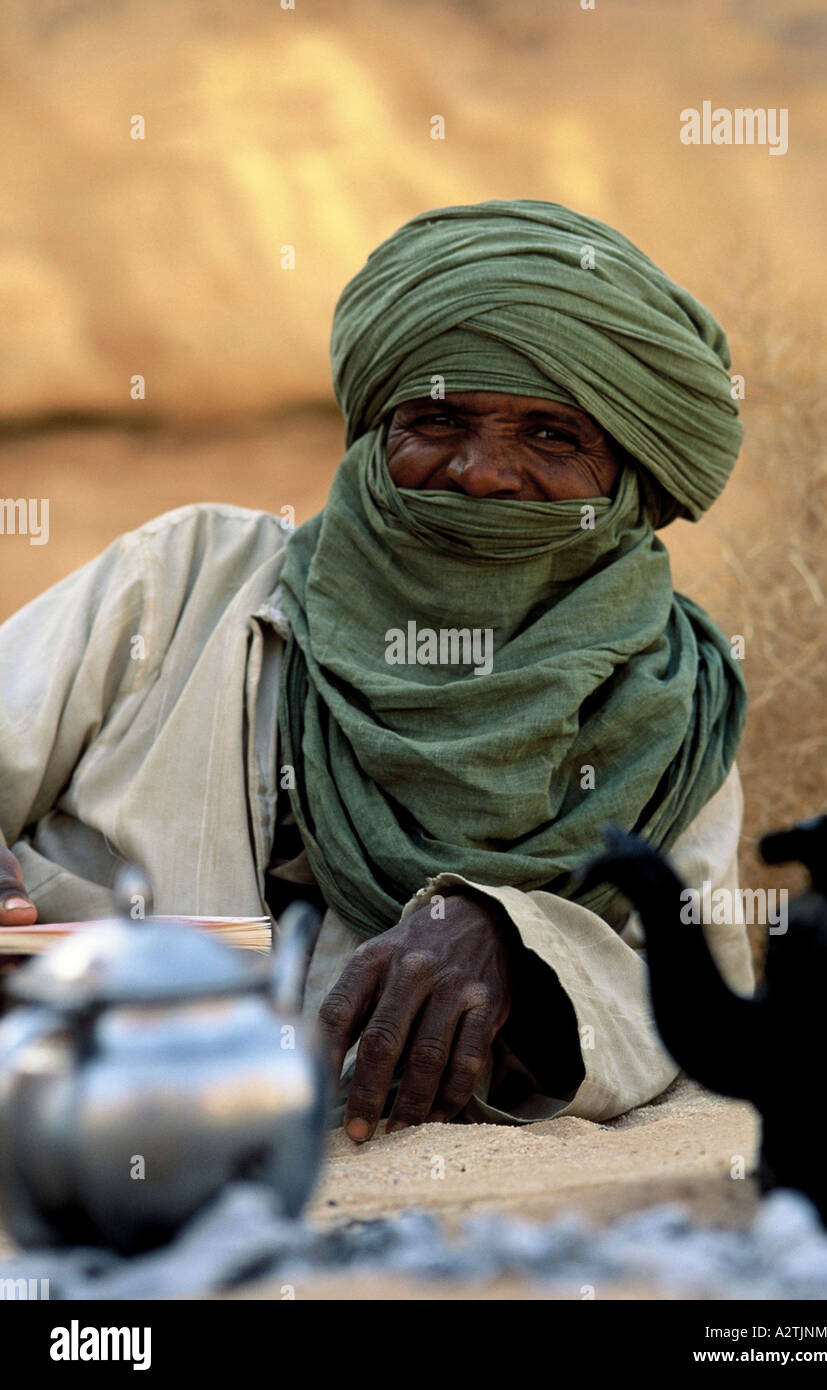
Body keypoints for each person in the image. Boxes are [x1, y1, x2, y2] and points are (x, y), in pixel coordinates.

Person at [0, 200, 753, 1144]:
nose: (483, 474)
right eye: (438, 419)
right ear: (374, 431)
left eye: (554, 438)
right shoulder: (182, 579)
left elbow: (690, 1009)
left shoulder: (667, 703)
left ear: (630, 478)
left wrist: (517, 943)